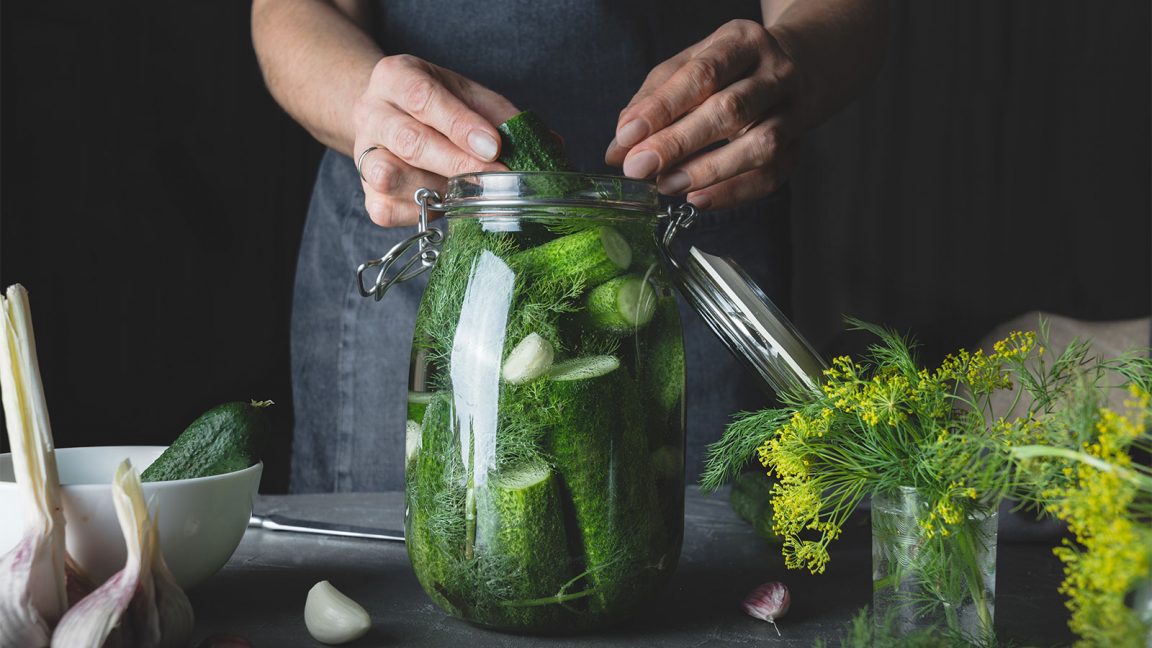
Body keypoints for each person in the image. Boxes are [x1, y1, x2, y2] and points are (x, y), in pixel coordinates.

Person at [251, 0, 886, 493]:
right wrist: (368, 107)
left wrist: (794, 58)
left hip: (680, 240)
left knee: (698, 570)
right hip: (432, 230)